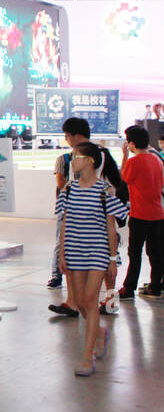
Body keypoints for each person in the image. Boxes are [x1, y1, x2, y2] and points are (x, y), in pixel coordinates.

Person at [56, 143, 127, 376]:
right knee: (80, 302)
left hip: (97, 250)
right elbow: (65, 223)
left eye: (76, 157)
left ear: (90, 161)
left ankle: (87, 357)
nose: (72, 161)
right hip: (74, 250)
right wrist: (63, 254)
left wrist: (113, 258)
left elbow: (110, 228)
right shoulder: (68, 189)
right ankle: (100, 332)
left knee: (90, 299)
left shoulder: (104, 190)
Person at [49, 118, 127, 316]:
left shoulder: (78, 157)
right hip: (96, 214)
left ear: (74, 135)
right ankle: (93, 300)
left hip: (88, 214)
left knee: (97, 256)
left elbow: (63, 185)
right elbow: (117, 181)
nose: (67, 140)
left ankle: (78, 302)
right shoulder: (104, 153)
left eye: (67, 136)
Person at [121, 126, 164, 301]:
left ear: (131, 143)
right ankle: (155, 286)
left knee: (135, 253)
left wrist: (124, 156)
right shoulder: (157, 160)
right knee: (155, 252)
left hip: (140, 214)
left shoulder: (134, 161)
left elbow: (123, 178)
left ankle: (129, 288)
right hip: (158, 214)